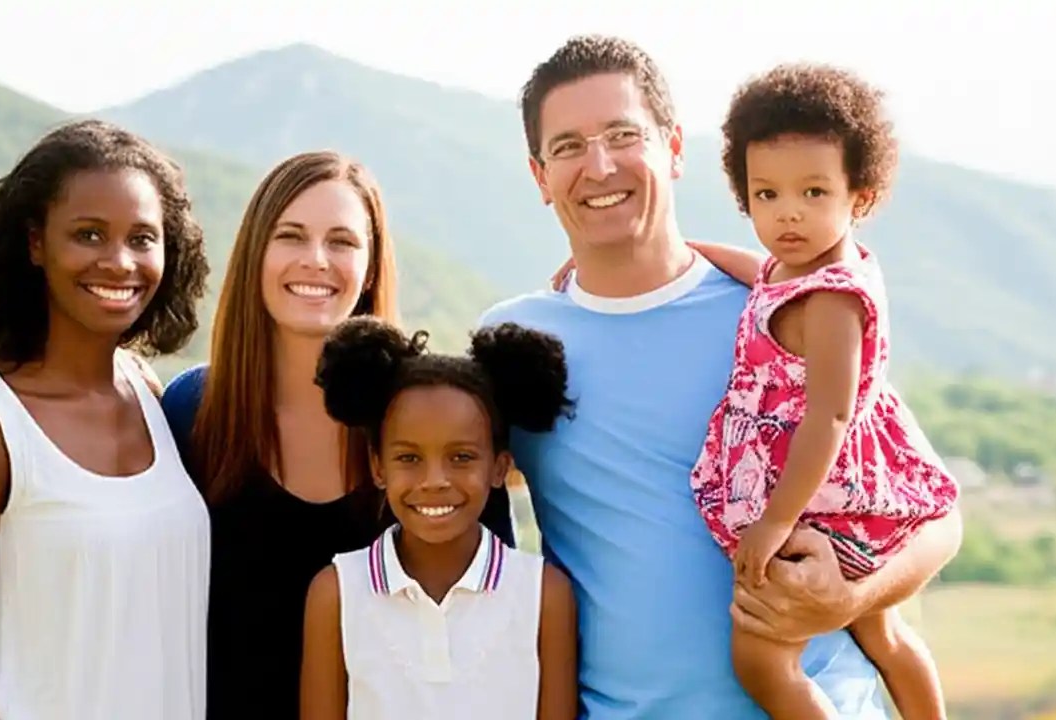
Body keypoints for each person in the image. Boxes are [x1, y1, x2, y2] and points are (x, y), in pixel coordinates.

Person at [479, 35, 963, 718]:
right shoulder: (514, 346)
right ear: (539, 177)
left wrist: (851, 598)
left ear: (674, 149)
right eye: (567, 147)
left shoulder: (780, 317)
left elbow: (938, 519)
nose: (599, 165)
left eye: (624, 134)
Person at [158, 151, 516, 719]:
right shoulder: (191, 411)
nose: (316, 260)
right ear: (256, 254)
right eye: (291, 236)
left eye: (343, 242)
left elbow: (499, 621)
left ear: (371, 267)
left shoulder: (437, 420)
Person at [0, 119, 212, 720]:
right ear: (35, 243)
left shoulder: (150, 394)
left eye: (142, 238)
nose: (119, 262)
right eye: (89, 234)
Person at [689, 63, 959, 719]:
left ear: (858, 196)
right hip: (835, 492)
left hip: (819, 500)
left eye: (813, 192)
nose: (788, 213)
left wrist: (776, 521)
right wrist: (687, 248)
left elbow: (831, 416)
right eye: (767, 195)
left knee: (761, 660)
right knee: (884, 634)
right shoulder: (804, 264)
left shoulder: (833, 301)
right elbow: (762, 274)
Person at [298, 317, 578, 720]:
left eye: (461, 457)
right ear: (378, 467)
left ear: (500, 468)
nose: (434, 481)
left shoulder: (543, 594)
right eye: (409, 458)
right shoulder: (337, 593)